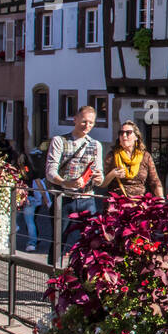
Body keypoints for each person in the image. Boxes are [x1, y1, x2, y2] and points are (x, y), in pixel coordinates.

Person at [45, 106, 104, 265]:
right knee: (59, 241)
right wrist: (66, 182)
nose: (87, 126)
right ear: (75, 119)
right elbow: (50, 172)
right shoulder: (59, 141)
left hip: (87, 198)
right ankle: (54, 282)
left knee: (89, 241)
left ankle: (81, 280)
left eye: (91, 123)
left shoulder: (96, 145)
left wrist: (98, 178)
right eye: (84, 121)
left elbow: (100, 176)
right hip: (64, 198)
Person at [102, 120, 163, 198]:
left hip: (138, 204)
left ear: (136, 137)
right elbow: (102, 184)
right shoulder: (112, 156)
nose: (124, 135)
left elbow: (155, 182)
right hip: (116, 203)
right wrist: (113, 174)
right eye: (121, 133)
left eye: (128, 132)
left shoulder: (145, 157)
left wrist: (161, 199)